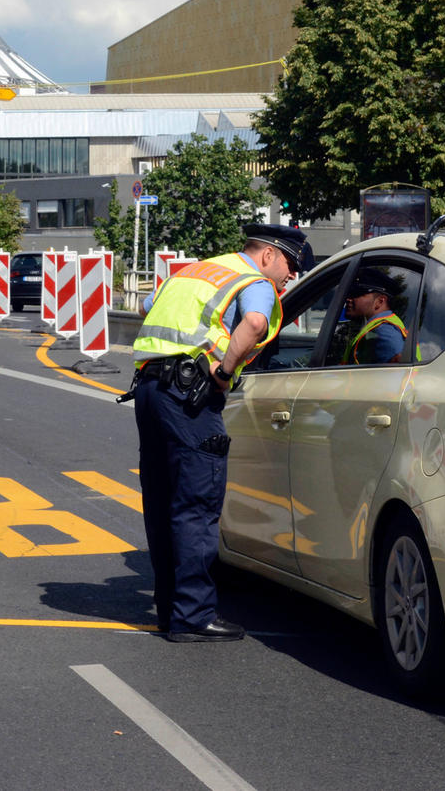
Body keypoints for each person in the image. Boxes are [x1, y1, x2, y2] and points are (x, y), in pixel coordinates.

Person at [130, 223, 311, 642]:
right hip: (190, 396)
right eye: (290, 265)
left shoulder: (196, 270)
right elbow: (253, 321)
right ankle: (192, 617)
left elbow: (146, 306)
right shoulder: (253, 281)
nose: (291, 276)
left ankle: (169, 610)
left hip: (150, 389)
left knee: (161, 503)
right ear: (268, 255)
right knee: (195, 504)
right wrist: (224, 372)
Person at [341, 271, 408, 364]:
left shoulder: (383, 331)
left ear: (380, 301)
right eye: (349, 294)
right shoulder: (376, 328)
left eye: (357, 294)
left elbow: (394, 375)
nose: (348, 299)